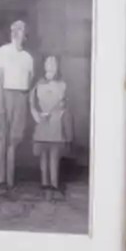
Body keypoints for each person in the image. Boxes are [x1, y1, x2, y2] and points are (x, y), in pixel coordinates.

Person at [0, 19, 35, 195]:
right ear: (12, 33)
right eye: (15, 31)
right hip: (4, 95)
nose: (18, 34)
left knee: (14, 140)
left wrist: (24, 100)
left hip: (21, 96)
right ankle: (0, 180)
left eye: (22, 32)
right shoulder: (3, 51)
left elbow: (29, 81)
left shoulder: (28, 58)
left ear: (25, 36)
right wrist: (0, 102)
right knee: (2, 138)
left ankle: (10, 181)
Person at [30, 54, 73, 201]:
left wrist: (57, 113)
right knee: (43, 154)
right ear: (44, 65)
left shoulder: (62, 85)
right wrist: (36, 114)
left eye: (54, 62)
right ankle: (45, 184)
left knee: (54, 153)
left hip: (56, 123)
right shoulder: (38, 84)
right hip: (42, 123)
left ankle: (54, 184)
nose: (51, 65)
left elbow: (65, 103)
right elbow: (32, 103)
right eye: (48, 62)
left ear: (57, 65)